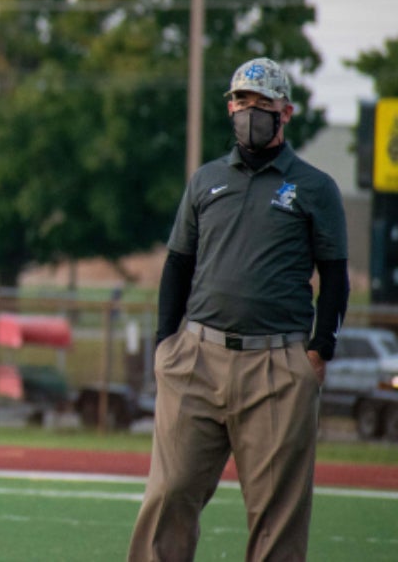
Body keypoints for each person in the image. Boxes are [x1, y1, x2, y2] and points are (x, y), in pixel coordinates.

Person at [127, 57, 350, 562]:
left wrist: (319, 352)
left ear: (285, 111)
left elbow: (334, 275)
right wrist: (166, 344)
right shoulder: (206, 180)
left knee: (276, 516)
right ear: (230, 107)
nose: (250, 111)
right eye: (242, 101)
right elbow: (177, 263)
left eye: (263, 103)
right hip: (197, 359)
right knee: (168, 497)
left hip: (277, 365)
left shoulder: (315, 188)